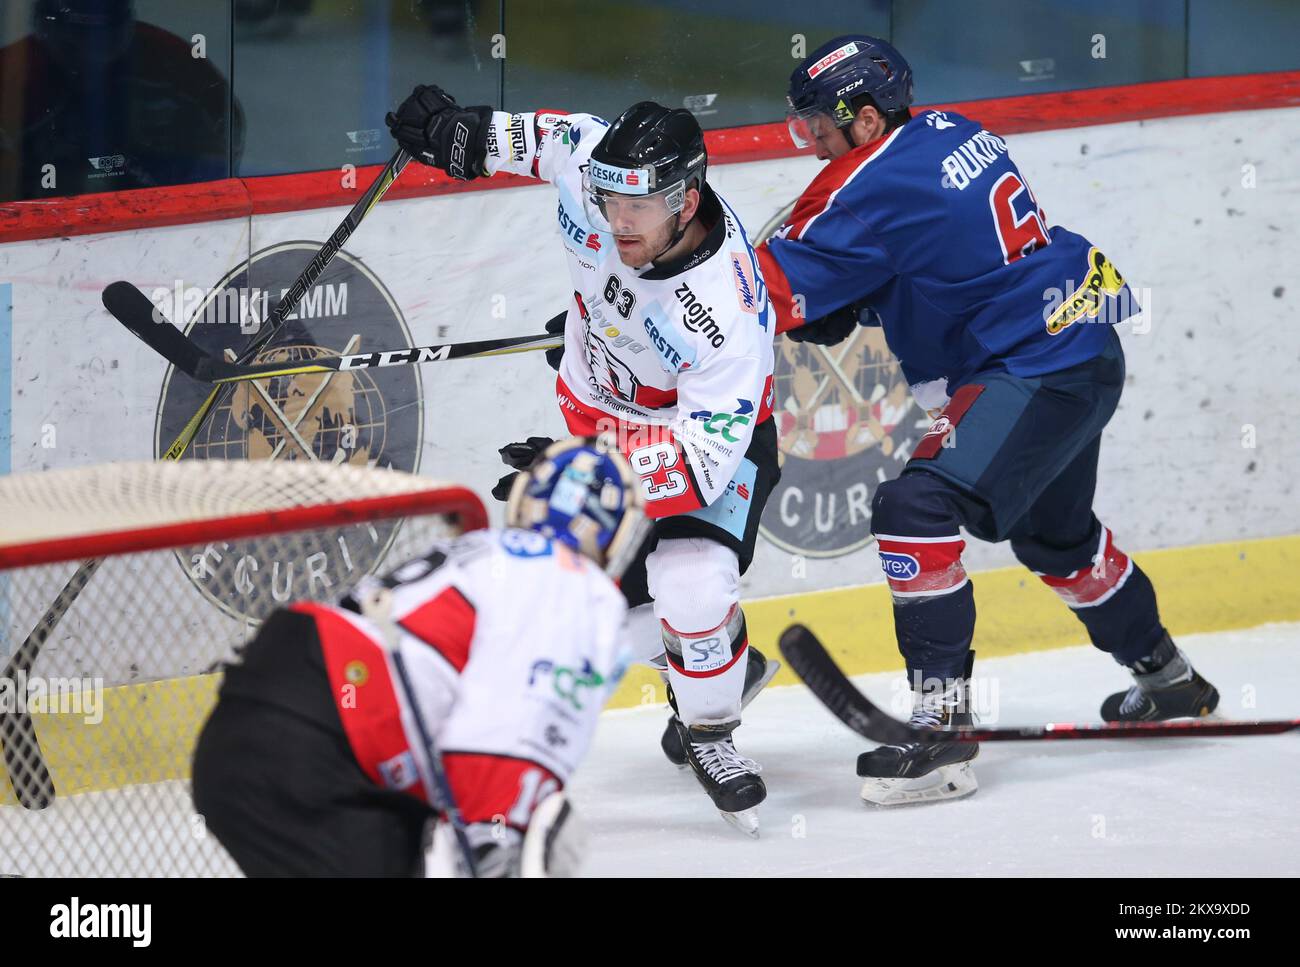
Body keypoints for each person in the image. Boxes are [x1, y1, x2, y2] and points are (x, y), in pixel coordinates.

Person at [756, 35, 1219, 805]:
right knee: (1057, 539)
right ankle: (1170, 679)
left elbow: (750, 300)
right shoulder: (952, 130)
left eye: (820, 127)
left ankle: (943, 732)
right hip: (1082, 339)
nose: (813, 144)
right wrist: (854, 302)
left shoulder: (858, 183)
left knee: (913, 505)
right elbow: (932, 254)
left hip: (1034, 364)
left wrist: (630, 329)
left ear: (866, 120)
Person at [385, 88, 779, 834]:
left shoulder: (724, 311)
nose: (616, 220)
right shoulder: (590, 158)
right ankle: (715, 658)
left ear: (687, 198)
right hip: (601, 412)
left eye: (639, 206)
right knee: (565, 600)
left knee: (689, 586)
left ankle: (712, 731)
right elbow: (535, 137)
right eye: (608, 199)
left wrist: (588, 469)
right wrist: (459, 133)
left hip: (708, 452)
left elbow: (702, 464)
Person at [192, 437, 650, 876]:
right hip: (318, 744)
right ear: (616, 535)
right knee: (551, 833)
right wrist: (495, 835)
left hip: (250, 733)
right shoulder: (574, 585)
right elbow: (511, 727)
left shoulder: (479, 552)